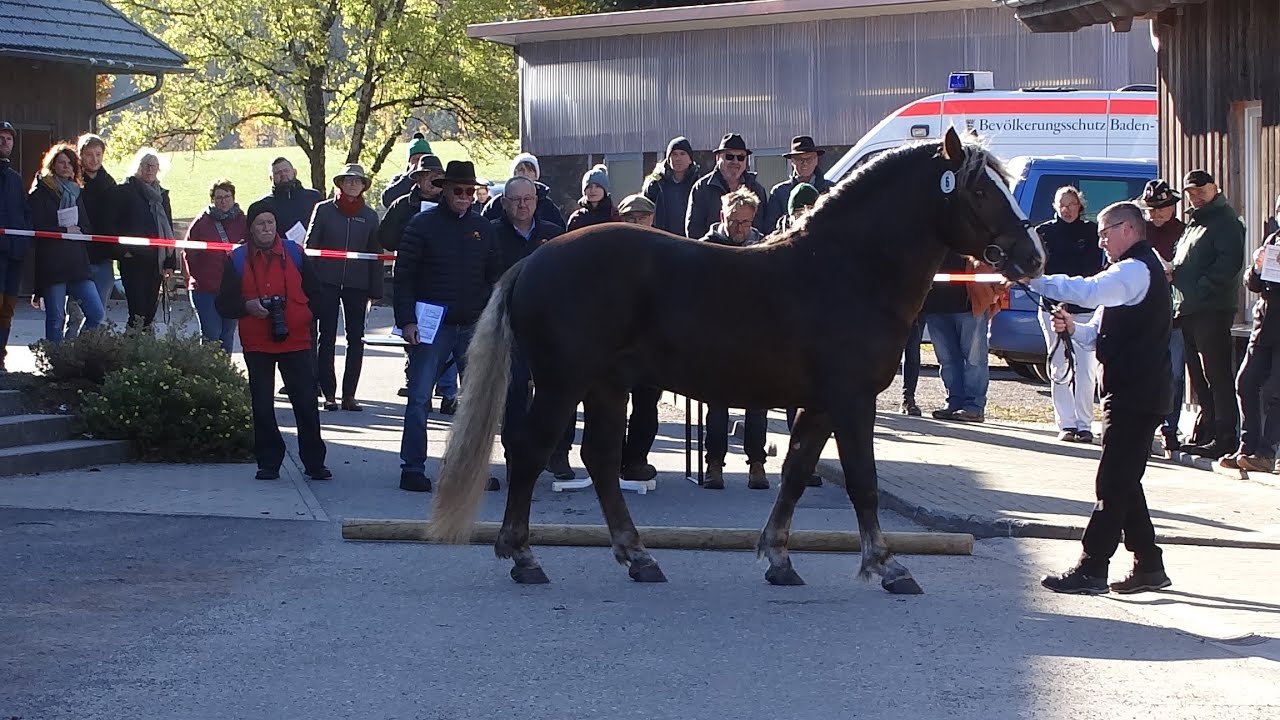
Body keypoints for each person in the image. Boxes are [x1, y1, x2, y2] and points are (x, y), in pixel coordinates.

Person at [1035, 201, 1173, 595]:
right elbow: (1096, 334)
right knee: (1124, 479)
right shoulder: (1131, 271)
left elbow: (1088, 290)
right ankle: (1149, 563)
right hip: (1130, 390)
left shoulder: (1133, 270)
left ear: (1127, 229)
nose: (1101, 241)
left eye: (1105, 233)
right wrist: (1072, 329)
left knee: (1112, 482)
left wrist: (1036, 280)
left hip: (1136, 392)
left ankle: (1093, 566)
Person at [393, 161, 501, 492]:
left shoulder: (483, 228)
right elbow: (403, 276)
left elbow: (493, 276)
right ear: (445, 190)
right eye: (459, 190)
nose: (465, 196)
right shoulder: (421, 225)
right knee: (419, 398)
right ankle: (412, 467)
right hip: (431, 324)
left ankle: (471, 470)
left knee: (476, 402)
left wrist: (492, 318)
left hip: (473, 324)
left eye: (470, 191)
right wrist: (407, 321)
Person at [215, 201, 330, 482]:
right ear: (251, 228)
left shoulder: (295, 253)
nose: (266, 228)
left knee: (305, 402)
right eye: (260, 224)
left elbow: (318, 294)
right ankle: (268, 463)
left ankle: (314, 463)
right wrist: (247, 306)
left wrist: (305, 316)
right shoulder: (237, 259)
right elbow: (223, 304)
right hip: (257, 343)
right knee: (262, 404)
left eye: (270, 223)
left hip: (297, 340)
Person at [495, 176, 568, 476]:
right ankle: (514, 454)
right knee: (514, 394)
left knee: (560, 391)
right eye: (515, 200)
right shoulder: (491, 234)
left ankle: (558, 454)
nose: (522, 205)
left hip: (551, 328)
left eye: (528, 199)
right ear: (504, 203)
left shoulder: (555, 236)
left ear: (537, 201)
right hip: (510, 327)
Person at [1171, 169, 1246, 459]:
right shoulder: (1195, 221)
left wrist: (1199, 288)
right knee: (1198, 377)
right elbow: (1188, 259)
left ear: (1215, 188)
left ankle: (1225, 436)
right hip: (1189, 307)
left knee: (1216, 374)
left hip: (1212, 309)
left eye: (1201, 191)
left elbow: (1229, 264)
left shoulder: (1225, 220)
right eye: (1191, 192)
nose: (1196, 196)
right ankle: (1207, 431)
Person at [698, 187, 769, 490]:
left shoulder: (764, 247)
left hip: (755, 338)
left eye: (746, 223)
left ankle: (757, 463)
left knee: (758, 402)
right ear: (722, 216)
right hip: (718, 338)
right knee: (717, 403)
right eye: (734, 222)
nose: (740, 229)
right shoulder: (706, 248)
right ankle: (714, 464)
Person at [304, 164, 383, 412]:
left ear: (363, 186)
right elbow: (310, 247)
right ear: (340, 183)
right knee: (326, 337)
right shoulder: (324, 210)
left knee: (356, 339)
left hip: (357, 285)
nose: (352, 184)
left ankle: (349, 395)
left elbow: (376, 254)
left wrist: (376, 290)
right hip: (325, 282)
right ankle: (328, 393)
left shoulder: (370, 216)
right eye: (348, 180)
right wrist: (308, 283)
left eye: (357, 181)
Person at [1035, 186, 1103, 442]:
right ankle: (1066, 424)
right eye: (1062, 205)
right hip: (1053, 309)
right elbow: (1038, 270)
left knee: (1086, 369)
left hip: (1085, 310)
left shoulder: (1091, 232)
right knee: (1059, 366)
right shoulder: (1043, 233)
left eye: (1071, 204)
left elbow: (1095, 270)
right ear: (1055, 206)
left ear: (1080, 206)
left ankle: (1084, 424)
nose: (1067, 209)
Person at [27, 143, 104, 343]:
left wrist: (79, 230)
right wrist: (63, 231)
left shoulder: (76, 193)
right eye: (62, 162)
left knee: (96, 313)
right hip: (53, 265)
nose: (66, 166)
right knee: (56, 318)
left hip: (77, 263)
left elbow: (86, 225)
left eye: (70, 163)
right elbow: (36, 227)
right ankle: (55, 358)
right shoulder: (40, 193)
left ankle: (77, 351)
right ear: (53, 165)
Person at [1222, 229, 1280, 473]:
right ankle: (1247, 448)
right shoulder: (1274, 238)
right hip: (1264, 326)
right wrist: (1257, 268)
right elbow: (1253, 284)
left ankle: (1267, 453)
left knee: (1276, 392)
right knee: (1245, 382)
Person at [1138, 179, 1187, 455]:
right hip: (1144, 314)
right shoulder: (1139, 233)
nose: (1155, 214)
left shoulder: (1182, 232)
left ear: (1173, 207)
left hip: (1174, 314)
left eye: (1161, 208)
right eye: (1151, 209)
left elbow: (1190, 270)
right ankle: (1145, 429)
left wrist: (1173, 273)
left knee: (1175, 375)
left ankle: (1170, 428)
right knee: (1145, 372)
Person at [114, 148, 179, 329]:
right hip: (133, 260)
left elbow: (168, 227)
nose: (150, 169)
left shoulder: (162, 195)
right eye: (146, 165)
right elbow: (115, 223)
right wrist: (123, 252)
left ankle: (145, 344)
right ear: (138, 167)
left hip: (156, 261)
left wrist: (170, 261)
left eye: (154, 166)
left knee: (150, 311)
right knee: (137, 312)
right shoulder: (125, 191)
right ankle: (132, 344)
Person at [182, 179, 245, 352]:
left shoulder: (242, 221)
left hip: (232, 290)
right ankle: (208, 368)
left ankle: (224, 368)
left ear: (233, 197)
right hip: (205, 290)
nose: (223, 201)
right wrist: (200, 277)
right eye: (219, 198)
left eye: (227, 197)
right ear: (212, 200)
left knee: (227, 335)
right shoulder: (202, 222)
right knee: (211, 334)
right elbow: (189, 252)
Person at [685, 133, 768, 239]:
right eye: (729, 157)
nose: (735, 161)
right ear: (717, 158)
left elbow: (763, 228)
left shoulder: (757, 190)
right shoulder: (701, 188)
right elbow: (693, 231)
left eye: (741, 157)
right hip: (711, 248)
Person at [0, 120, 31, 371]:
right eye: (0, 137)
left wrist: (24, 241)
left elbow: (24, 213)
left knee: (7, 308)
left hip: (14, 254)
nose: (5, 142)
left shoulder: (15, 178)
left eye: (9, 138)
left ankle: (0, 357)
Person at [76, 133, 119, 311]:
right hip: (78, 256)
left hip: (103, 257)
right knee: (75, 312)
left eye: (98, 154)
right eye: (89, 154)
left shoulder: (109, 183)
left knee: (98, 312)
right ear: (81, 155)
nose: (94, 159)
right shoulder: (73, 182)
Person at [765, 135, 834, 232]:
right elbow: (770, 229)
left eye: (809, 158)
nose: (804, 163)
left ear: (816, 160)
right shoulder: (779, 192)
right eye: (799, 159)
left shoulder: (831, 190)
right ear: (792, 161)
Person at [481, 152, 565, 228]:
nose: (525, 174)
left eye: (530, 170)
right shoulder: (496, 205)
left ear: (536, 175)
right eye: (521, 170)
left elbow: (560, 234)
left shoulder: (547, 205)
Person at [641, 136, 699, 235]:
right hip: (661, 238)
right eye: (674, 154)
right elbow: (644, 212)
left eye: (682, 154)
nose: (678, 158)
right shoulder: (655, 184)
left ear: (690, 159)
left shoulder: (698, 183)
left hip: (689, 239)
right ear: (668, 159)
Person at [260, 157, 323, 245]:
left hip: (314, 249)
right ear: (271, 178)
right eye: (278, 173)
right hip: (282, 251)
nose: (283, 174)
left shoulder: (314, 197)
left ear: (295, 172)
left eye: (286, 170)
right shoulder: (264, 204)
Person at [380, 132, 433, 208]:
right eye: (416, 159)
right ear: (409, 162)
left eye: (422, 158)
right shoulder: (399, 179)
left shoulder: (438, 180)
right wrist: (407, 179)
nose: (419, 162)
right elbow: (387, 200)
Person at [565, 164, 620, 231]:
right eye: (589, 187)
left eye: (597, 186)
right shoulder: (576, 218)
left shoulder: (615, 216)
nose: (593, 190)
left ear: (605, 190)